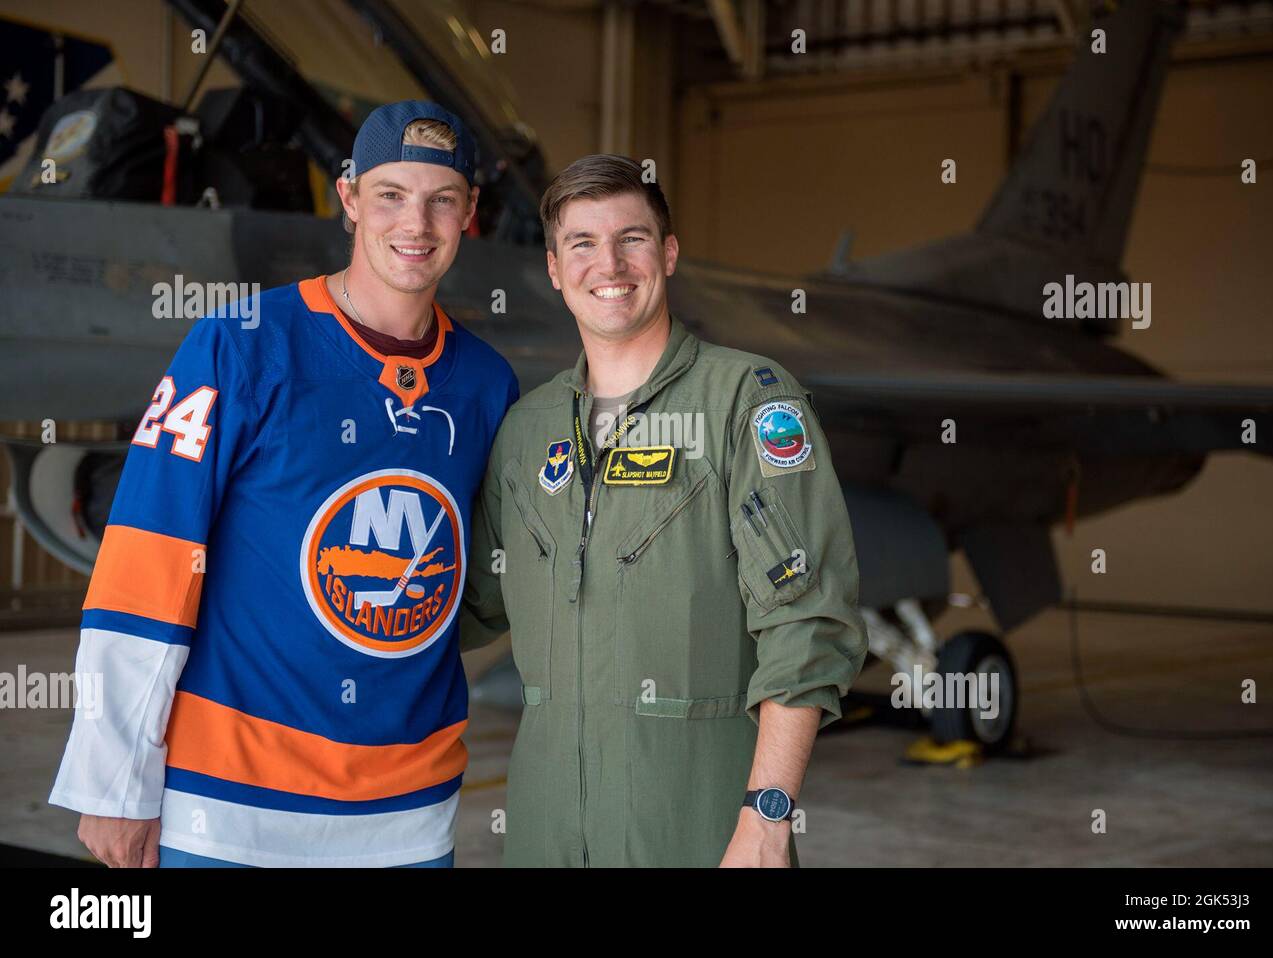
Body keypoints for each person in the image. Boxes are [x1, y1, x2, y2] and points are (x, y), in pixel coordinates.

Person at [49, 100, 517, 867]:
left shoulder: (487, 385)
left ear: (468, 213)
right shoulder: (237, 347)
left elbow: (475, 581)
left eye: (442, 199)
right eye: (392, 194)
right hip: (227, 812)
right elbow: (146, 568)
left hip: (408, 818)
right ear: (350, 197)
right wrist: (114, 785)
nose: (417, 223)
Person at [461, 154, 869, 866]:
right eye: (581, 244)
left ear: (669, 253)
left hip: (700, 834)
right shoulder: (526, 431)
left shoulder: (747, 401)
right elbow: (466, 607)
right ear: (554, 268)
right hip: (544, 838)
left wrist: (767, 818)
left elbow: (807, 622)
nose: (609, 264)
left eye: (633, 238)